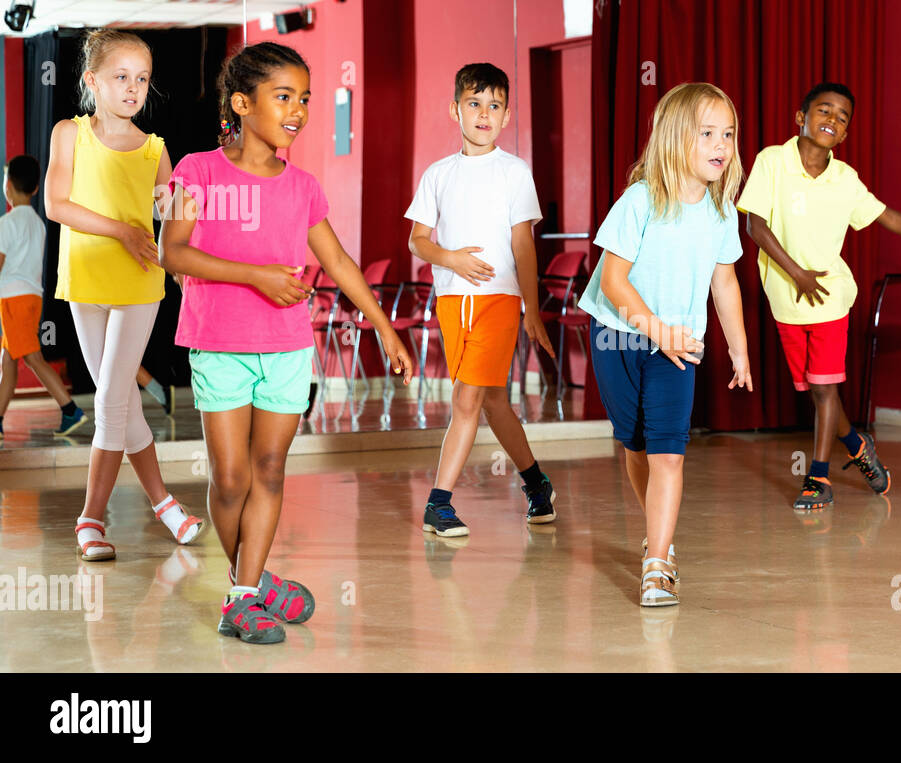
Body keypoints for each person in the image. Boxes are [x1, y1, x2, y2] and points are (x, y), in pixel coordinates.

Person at [160, 42, 413, 644]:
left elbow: (340, 261)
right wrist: (256, 275)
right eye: (284, 97)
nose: (298, 110)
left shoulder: (303, 185)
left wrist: (384, 325)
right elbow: (173, 252)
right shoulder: (192, 170)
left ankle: (242, 597)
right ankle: (255, 582)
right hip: (218, 345)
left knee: (269, 471)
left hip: (287, 348)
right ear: (242, 104)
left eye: (304, 98)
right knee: (229, 481)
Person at [738, 81, 901, 511]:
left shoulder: (844, 179)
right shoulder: (772, 161)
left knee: (824, 388)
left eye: (842, 117)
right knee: (815, 393)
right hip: (786, 297)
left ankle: (817, 479)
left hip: (830, 295)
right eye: (824, 110)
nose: (832, 120)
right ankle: (857, 444)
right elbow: (755, 227)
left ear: (847, 132)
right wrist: (796, 274)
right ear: (801, 117)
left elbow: (888, 216)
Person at [577, 82, 753, 606]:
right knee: (636, 445)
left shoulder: (722, 210)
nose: (721, 144)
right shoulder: (641, 199)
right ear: (677, 137)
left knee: (668, 454)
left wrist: (739, 348)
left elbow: (725, 283)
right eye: (707, 134)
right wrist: (656, 330)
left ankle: (658, 561)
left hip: (679, 346)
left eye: (728, 134)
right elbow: (613, 282)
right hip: (616, 336)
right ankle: (659, 535)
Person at [44, 30, 204, 562]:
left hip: (139, 284)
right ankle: (164, 504)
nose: (134, 87)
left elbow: (171, 224)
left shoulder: (155, 150)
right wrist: (121, 230)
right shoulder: (69, 133)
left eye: (142, 78)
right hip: (85, 281)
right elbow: (57, 204)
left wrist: (185, 261)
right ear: (92, 80)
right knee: (124, 401)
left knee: (112, 401)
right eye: (122, 76)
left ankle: (90, 518)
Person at [405, 62, 558, 538]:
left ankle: (439, 503)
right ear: (455, 110)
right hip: (452, 301)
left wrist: (531, 307)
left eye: (494, 106)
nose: (484, 114)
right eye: (474, 104)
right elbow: (417, 242)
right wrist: (450, 258)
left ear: (507, 116)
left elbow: (523, 246)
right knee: (493, 402)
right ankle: (536, 483)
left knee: (467, 397)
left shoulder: (515, 173)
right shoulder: (437, 174)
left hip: (497, 301)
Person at [0, 154, 88, 439]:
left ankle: (70, 409)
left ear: (8, 184)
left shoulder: (6, 223)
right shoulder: (38, 224)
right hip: (31, 299)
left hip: (12, 300)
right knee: (9, 361)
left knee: (33, 358)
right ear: (36, 188)